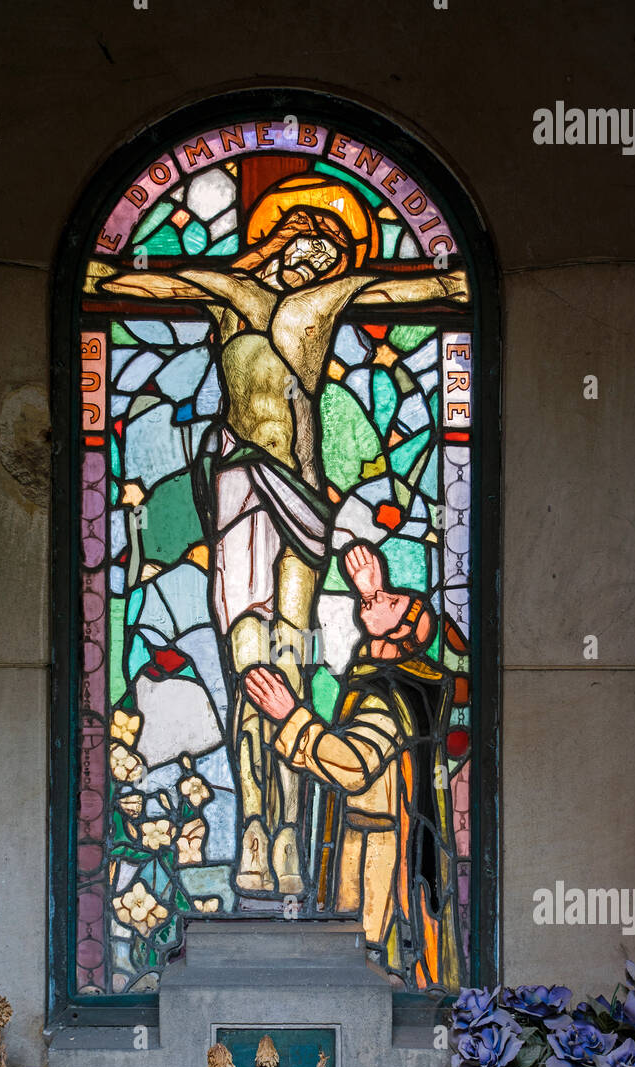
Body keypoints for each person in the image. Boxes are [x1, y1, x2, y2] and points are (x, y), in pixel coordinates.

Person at [104, 182, 468, 900]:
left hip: (304, 502)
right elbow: (136, 280)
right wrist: (110, 274)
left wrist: (453, 278)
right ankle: (253, 830)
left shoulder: (324, 304)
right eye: (306, 246)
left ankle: (291, 837)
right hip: (240, 493)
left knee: (289, 661)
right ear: (279, 240)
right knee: (249, 665)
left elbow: (415, 291)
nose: (315, 262)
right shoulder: (228, 293)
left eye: (329, 253)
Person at [244, 542, 465, 992]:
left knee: (361, 966)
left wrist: (292, 717)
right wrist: (373, 590)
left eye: (393, 601)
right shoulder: (385, 674)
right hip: (368, 832)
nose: (380, 596)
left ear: (400, 637)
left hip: (375, 851)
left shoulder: (395, 691)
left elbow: (356, 764)